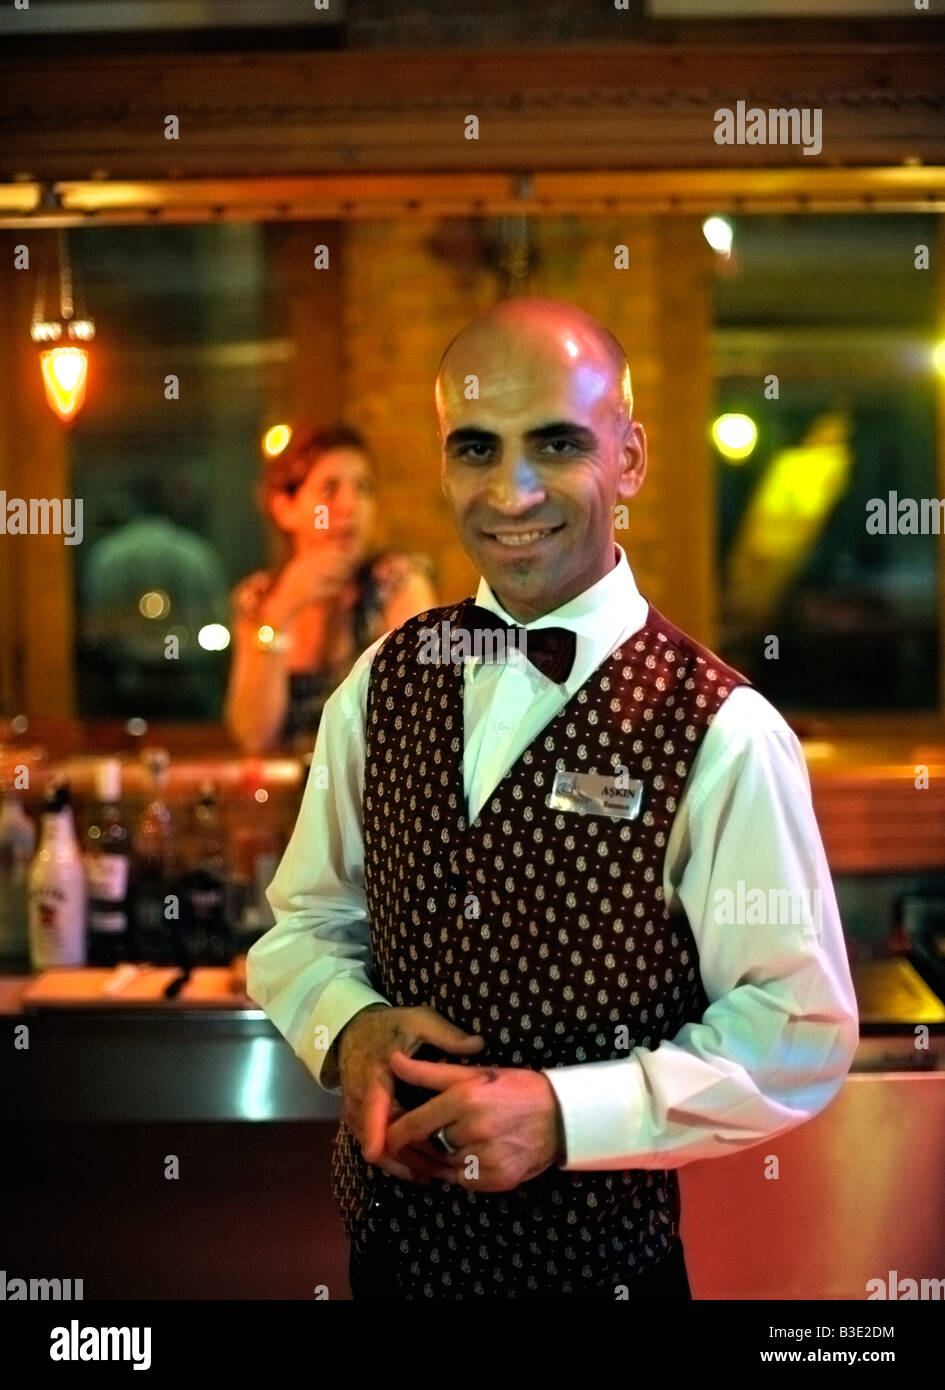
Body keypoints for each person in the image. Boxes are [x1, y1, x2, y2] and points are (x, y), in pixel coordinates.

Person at [246, 299, 859, 1301]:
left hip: (600, 1280)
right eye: (476, 449)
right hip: (386, 1263)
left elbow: (797, 1026)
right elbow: (304, 922)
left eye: (557, 445)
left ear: (630, 458)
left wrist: (573, 1113)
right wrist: (348, 1026)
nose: (511, 490)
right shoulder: (379, 682)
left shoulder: (725, 732)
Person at [224, 424, 437, 753]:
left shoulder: (395, 584)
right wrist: (279, 613)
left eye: (363, 488)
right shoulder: (259, 599)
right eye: (329, 490)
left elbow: (417, 725)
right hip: (287, 800)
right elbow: (254, 736)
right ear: (285, 508)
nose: (350, 505)